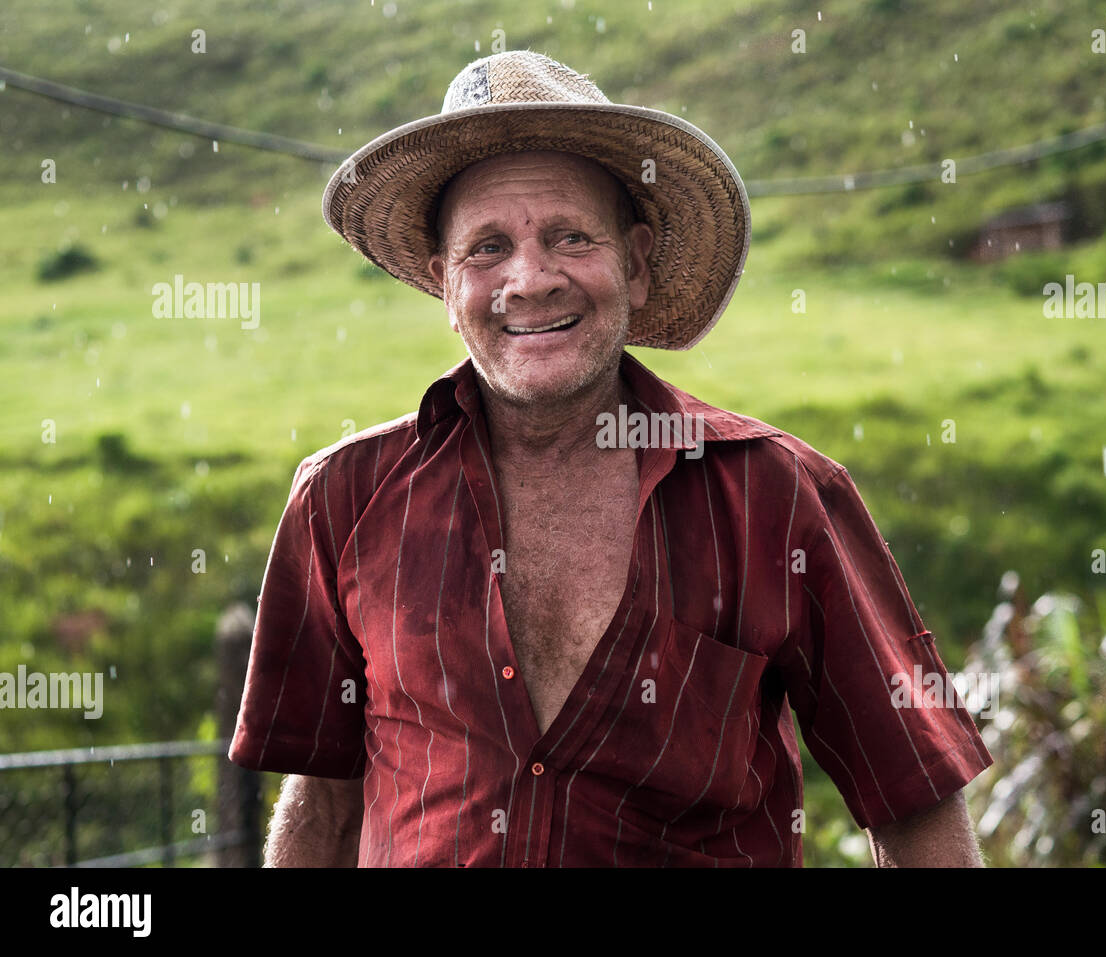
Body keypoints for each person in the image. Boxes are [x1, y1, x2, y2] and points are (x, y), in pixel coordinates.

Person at [229, 49, 992, 867]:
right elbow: (327, 803)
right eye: (486, 248)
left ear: (635, 262)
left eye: (569, 235)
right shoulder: (343, 499)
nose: (530, 278)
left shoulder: (775, 496)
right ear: (443, 285)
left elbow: (913, 805)